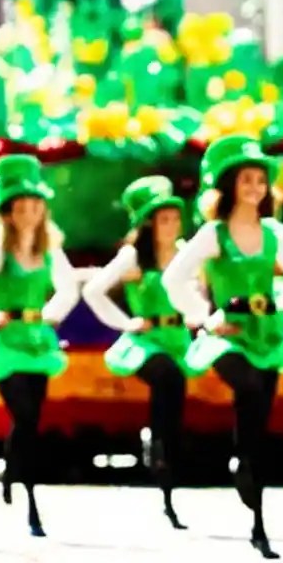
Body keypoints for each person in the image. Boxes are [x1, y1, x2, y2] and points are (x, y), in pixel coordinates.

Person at [163, 135, 283, 559]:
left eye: (260, 180)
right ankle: (245, 463)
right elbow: (175, 278)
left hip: (267, 331)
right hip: (226, 335)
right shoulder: (214, 234)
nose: (255, 187)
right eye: (246, 179)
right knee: (247, 386)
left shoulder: (274, 232)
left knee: (260, 414)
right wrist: (204, 317)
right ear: (228, 185)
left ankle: (250, 481)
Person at [0, 154, 80, 537]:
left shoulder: (49, 250)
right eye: (21, 207)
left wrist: (51, 314)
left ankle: (10, 466)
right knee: (23, 416)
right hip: (6, 346)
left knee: (30, 421)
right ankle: (31, 501)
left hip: (38, 344)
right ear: (7, 213)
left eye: (35, 206)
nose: (29, 214)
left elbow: (69, 288)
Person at [82, 176, 193, 529]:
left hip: (179, 338)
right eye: (163, 219)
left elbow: (202, 293)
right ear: (148, 224)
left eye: (174, 218)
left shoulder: (187, 253)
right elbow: (94, 290)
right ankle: (157, 444)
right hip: (145, 341)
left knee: (175, 399)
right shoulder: (133, 257)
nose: (171, 225)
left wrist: (200, 316)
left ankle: (164, 458)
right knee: (167, 376)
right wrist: (126, 323)